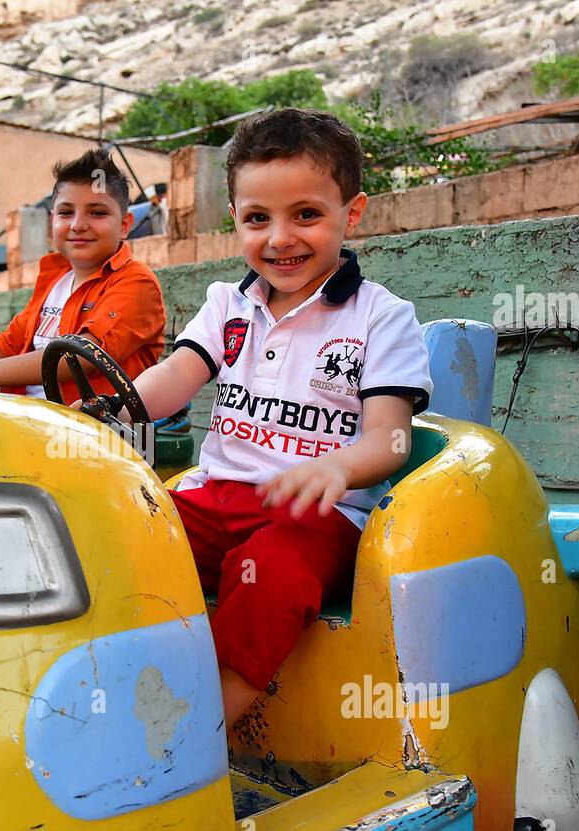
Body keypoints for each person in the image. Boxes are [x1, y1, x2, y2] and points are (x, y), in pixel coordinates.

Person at [108, 109, 432, 724]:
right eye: (259, 219)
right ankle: (108, 685)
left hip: (313, 514)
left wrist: (338, 466)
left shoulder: (380, 317)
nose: (280, 238)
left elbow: (390, 437)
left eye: (306, 214)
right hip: (215, 500)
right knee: (122, 533)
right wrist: (111, 408)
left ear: (352, 213)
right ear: (236, 219)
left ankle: (199, 729)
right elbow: (176, 376)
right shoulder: (228, 304)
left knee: (272, 572)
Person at [0, 149, 165, 402]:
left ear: (125, 225)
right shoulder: (55, 279)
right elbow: (6, 348)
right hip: (32, 418)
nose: (78, 225)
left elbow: (82, 356)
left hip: (96, 429)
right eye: (66, 212)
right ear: (52, 221)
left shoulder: (136, 282)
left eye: (97, 213)